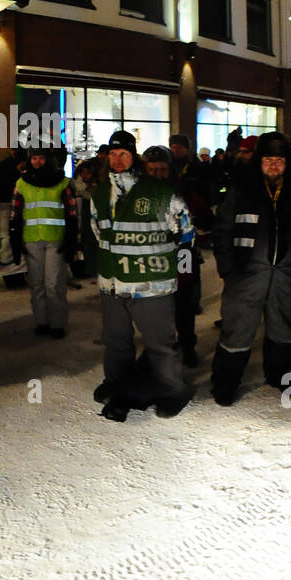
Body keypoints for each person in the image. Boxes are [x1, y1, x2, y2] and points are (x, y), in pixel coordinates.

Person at [86, 133, 194, 420]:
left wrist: (173, 265)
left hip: (151, 285)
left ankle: (173, 390)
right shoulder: (98, 195)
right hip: (113, 283)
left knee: (160, 344)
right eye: (112, 153)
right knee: (116, 340)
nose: (117, 159)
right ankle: (117, 382)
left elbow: (186, 232)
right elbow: (99, 234)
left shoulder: (161, 193)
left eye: (123, 153)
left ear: (135, 157)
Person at [211, 132, 291, 405]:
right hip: (246, 273)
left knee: (282, 327)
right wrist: (227, 268)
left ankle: (280, 375)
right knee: (238, 327)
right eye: (268, 159)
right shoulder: (241, 190)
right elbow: (222, 230)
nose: (274, 165)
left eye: (280, 160)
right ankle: (225, 383)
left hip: (286, 274)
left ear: (288, 162)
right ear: (259, 161)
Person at [145, 145, 204, 369]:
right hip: (153, 257)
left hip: (183, 254)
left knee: (185, 303)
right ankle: (162, 349)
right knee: (157, 308)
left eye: (161, 169)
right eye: (151, 170)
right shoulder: (140, 194)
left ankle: (188, 345)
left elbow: (205, 215)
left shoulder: (184, 192)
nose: (157, 175)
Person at [12, 148, 76, 339]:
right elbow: (15, 213)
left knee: (54, 285)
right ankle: (41, 321)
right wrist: (15, 238)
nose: (38, 162)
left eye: (41, 158)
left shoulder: (63, 183)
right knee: (36, 285)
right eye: (34, 158)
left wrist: (71, 239)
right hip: (32, 240)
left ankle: (57, 324)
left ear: (49, 160)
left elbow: (72, 214)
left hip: (56, 240)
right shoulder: (22, 183)